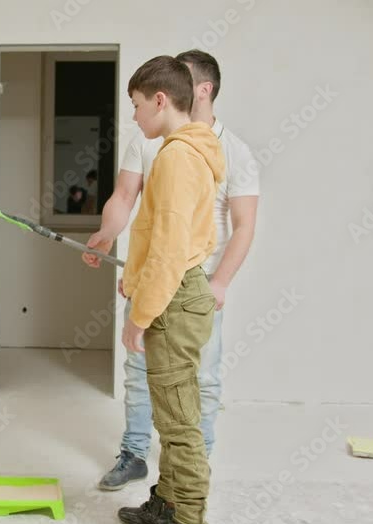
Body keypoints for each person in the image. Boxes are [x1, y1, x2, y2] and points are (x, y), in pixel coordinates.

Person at [84, 49, 260, 496]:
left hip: (191, 284)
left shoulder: (219, 152)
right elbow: (126, 200)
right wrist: (108, 233)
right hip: (154, 280)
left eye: (140, 104)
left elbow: (240, 226)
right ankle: (139, 456)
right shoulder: (150, 139)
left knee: (199, 380)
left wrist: (218, 282)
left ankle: (189, 474)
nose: (136, 115)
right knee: (140, 371)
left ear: (201, 90)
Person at [102, 54, 224, 524]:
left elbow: (171, 250)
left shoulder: (175, 156)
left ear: (159, 99)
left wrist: (139, 315)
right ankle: (166, 505)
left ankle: (187, 518)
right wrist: (134, 277)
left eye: (136, 105)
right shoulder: (192, 149)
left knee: (178, 424)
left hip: (174, 298)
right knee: (174, 416)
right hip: (178, 291)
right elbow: (159, 237)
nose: (133, 116)